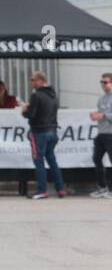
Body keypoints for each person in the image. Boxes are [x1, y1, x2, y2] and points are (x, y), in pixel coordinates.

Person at [20, 71, 65, 199]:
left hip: (39, 132)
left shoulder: (36, 95)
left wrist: (24, 110)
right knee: (51, 159)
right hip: (52, 130)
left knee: (38, 160)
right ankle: (60, 188)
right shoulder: (53, 94)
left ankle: (42, 190)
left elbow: (31, 115)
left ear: (40, 80)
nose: (31, 82)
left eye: (32, 79)